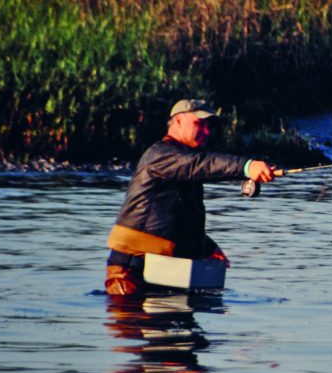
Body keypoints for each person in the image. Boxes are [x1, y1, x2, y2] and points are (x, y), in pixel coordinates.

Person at [104, 99, 277, 295]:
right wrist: (247, 166)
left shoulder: (183, 164)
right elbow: (202, 164)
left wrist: (206, 247)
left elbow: (180, 217)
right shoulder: (161, 155)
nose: (206, 131)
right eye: (199, 124)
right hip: (130, 274)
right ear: (177, 121)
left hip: (163, 271)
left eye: (207, 126)